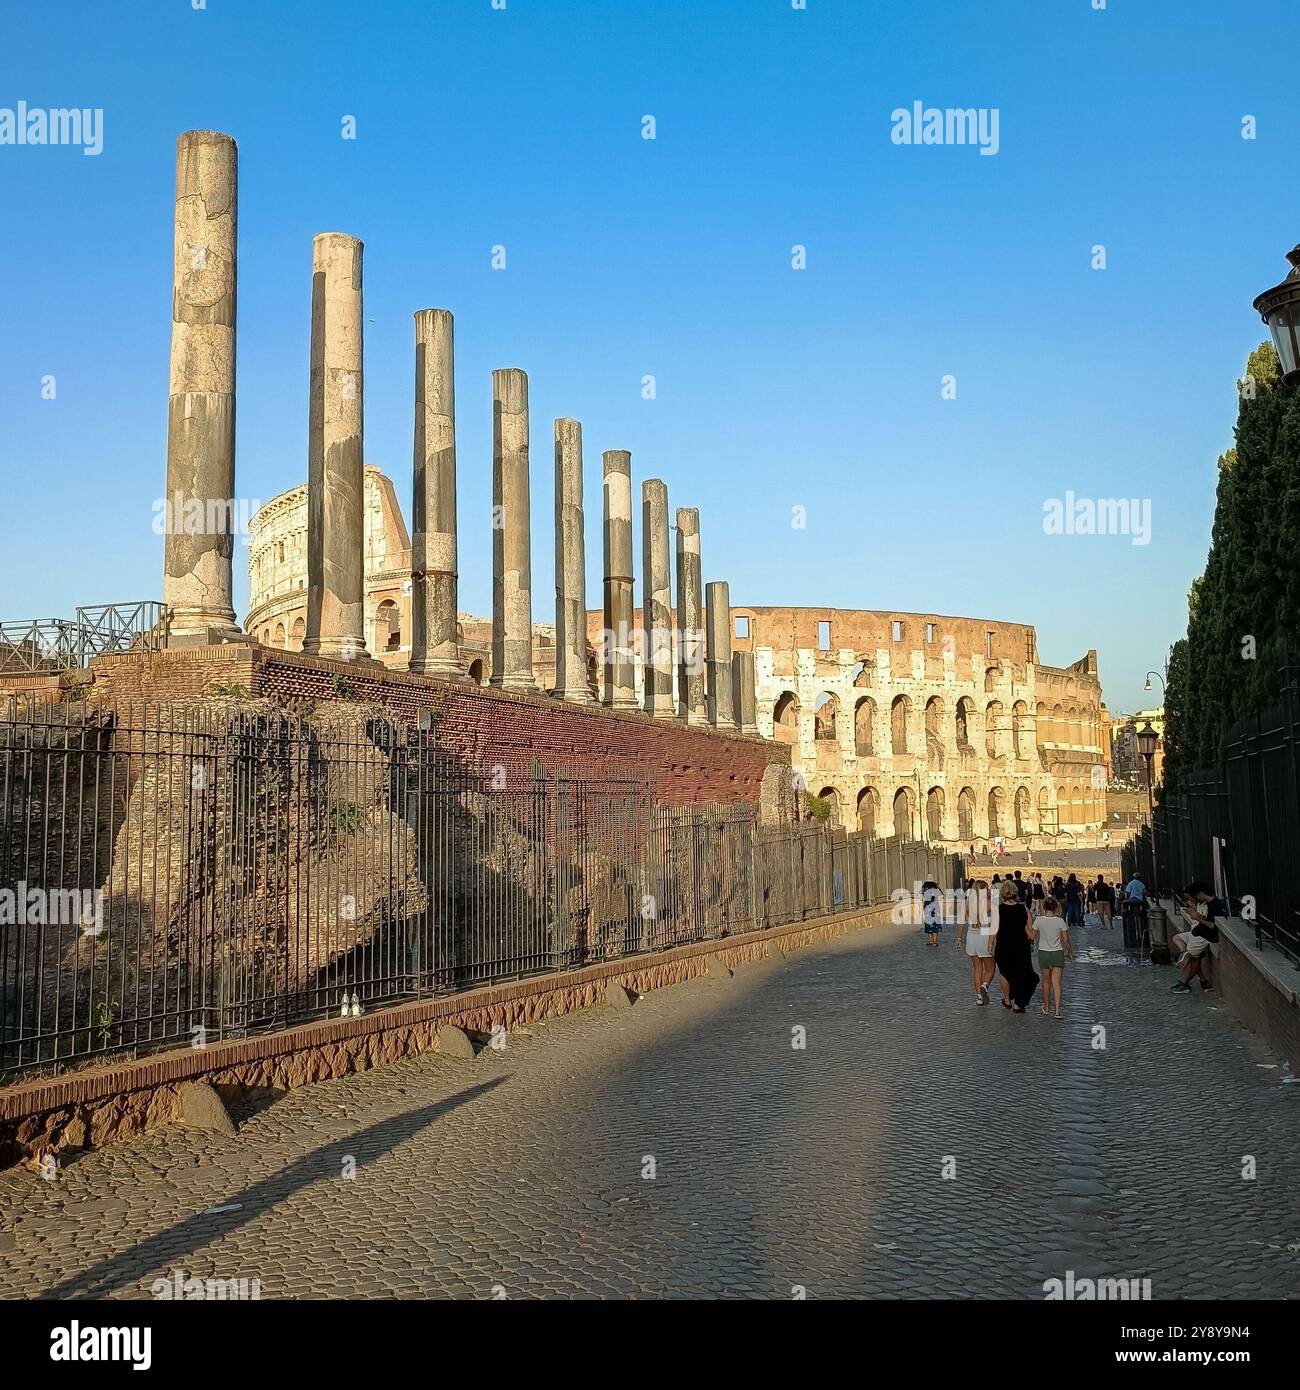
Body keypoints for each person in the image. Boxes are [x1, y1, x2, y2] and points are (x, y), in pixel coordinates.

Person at [991, 878, 1038, 1012]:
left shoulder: (998, 910)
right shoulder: (1024, 909)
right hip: (1021, 946)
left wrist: (990, 943)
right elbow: (1031, 930)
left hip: (1003, 945)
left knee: (1005, 972)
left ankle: (1007, 999)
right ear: (1015, 893)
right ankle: (1019, 1003)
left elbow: (993, 929)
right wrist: (1032, 942)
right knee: (1024, 974)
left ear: (1002, 894)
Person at [1170, 882, 1227, 993]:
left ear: (1199, 893)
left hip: (1204, 936)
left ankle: (1184, 983)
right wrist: (1196, 914)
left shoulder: (1214, 905)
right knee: (1181, 944)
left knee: (1192, 959)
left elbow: (1212, 925)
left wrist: (1197, 917)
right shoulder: (1206, 903)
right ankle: (1201, 979)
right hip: (1198, 933)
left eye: (1194, 895)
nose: (1194, 898)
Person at [1028, 895, 1072, 1017]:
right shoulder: (1060, 921)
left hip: (1043, 953)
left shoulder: (1039, 920)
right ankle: (1058, 1010)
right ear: (1056, 907)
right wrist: (1070, 952)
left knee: (1046, 982)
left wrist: (1025, 927)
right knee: (1056, 983)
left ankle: (1046, 1006)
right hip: (1057, 952)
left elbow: (1032, 936)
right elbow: (1066, 940)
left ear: (1044, 907)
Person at [958, 877, 997, 1005]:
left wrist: (959, 938)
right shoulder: (989, 903)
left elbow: (961, 922)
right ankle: (984, 985)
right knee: (990, 968)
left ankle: (979, 997)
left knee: (977, 968)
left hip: (971, 935)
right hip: (984, 935)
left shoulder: (967, 903)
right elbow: (997, 922)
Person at [921, 879, 942, 948]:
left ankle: (930, 941)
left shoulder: (924, 887)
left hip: (927, 906)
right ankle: (935, 942)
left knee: (929, 923)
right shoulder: (936, 887)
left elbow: (922, 895)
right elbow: (940, 895)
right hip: (935, 906)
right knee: (935, 923)